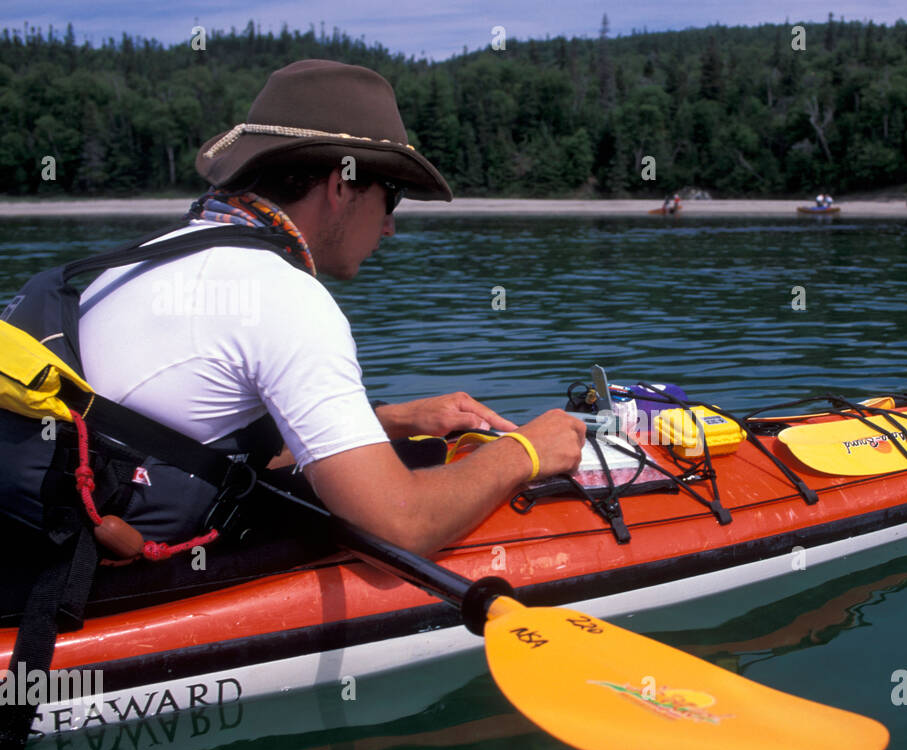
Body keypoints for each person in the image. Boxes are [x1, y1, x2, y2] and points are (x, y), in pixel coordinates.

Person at [76, 60, 586, 555]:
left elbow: (196, 440)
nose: (390, 227)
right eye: (393, 198)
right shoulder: (281, 295)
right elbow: (403, 523)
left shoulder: (134, 262)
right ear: (341, 188)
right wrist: (524, 452)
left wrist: (389, 420)